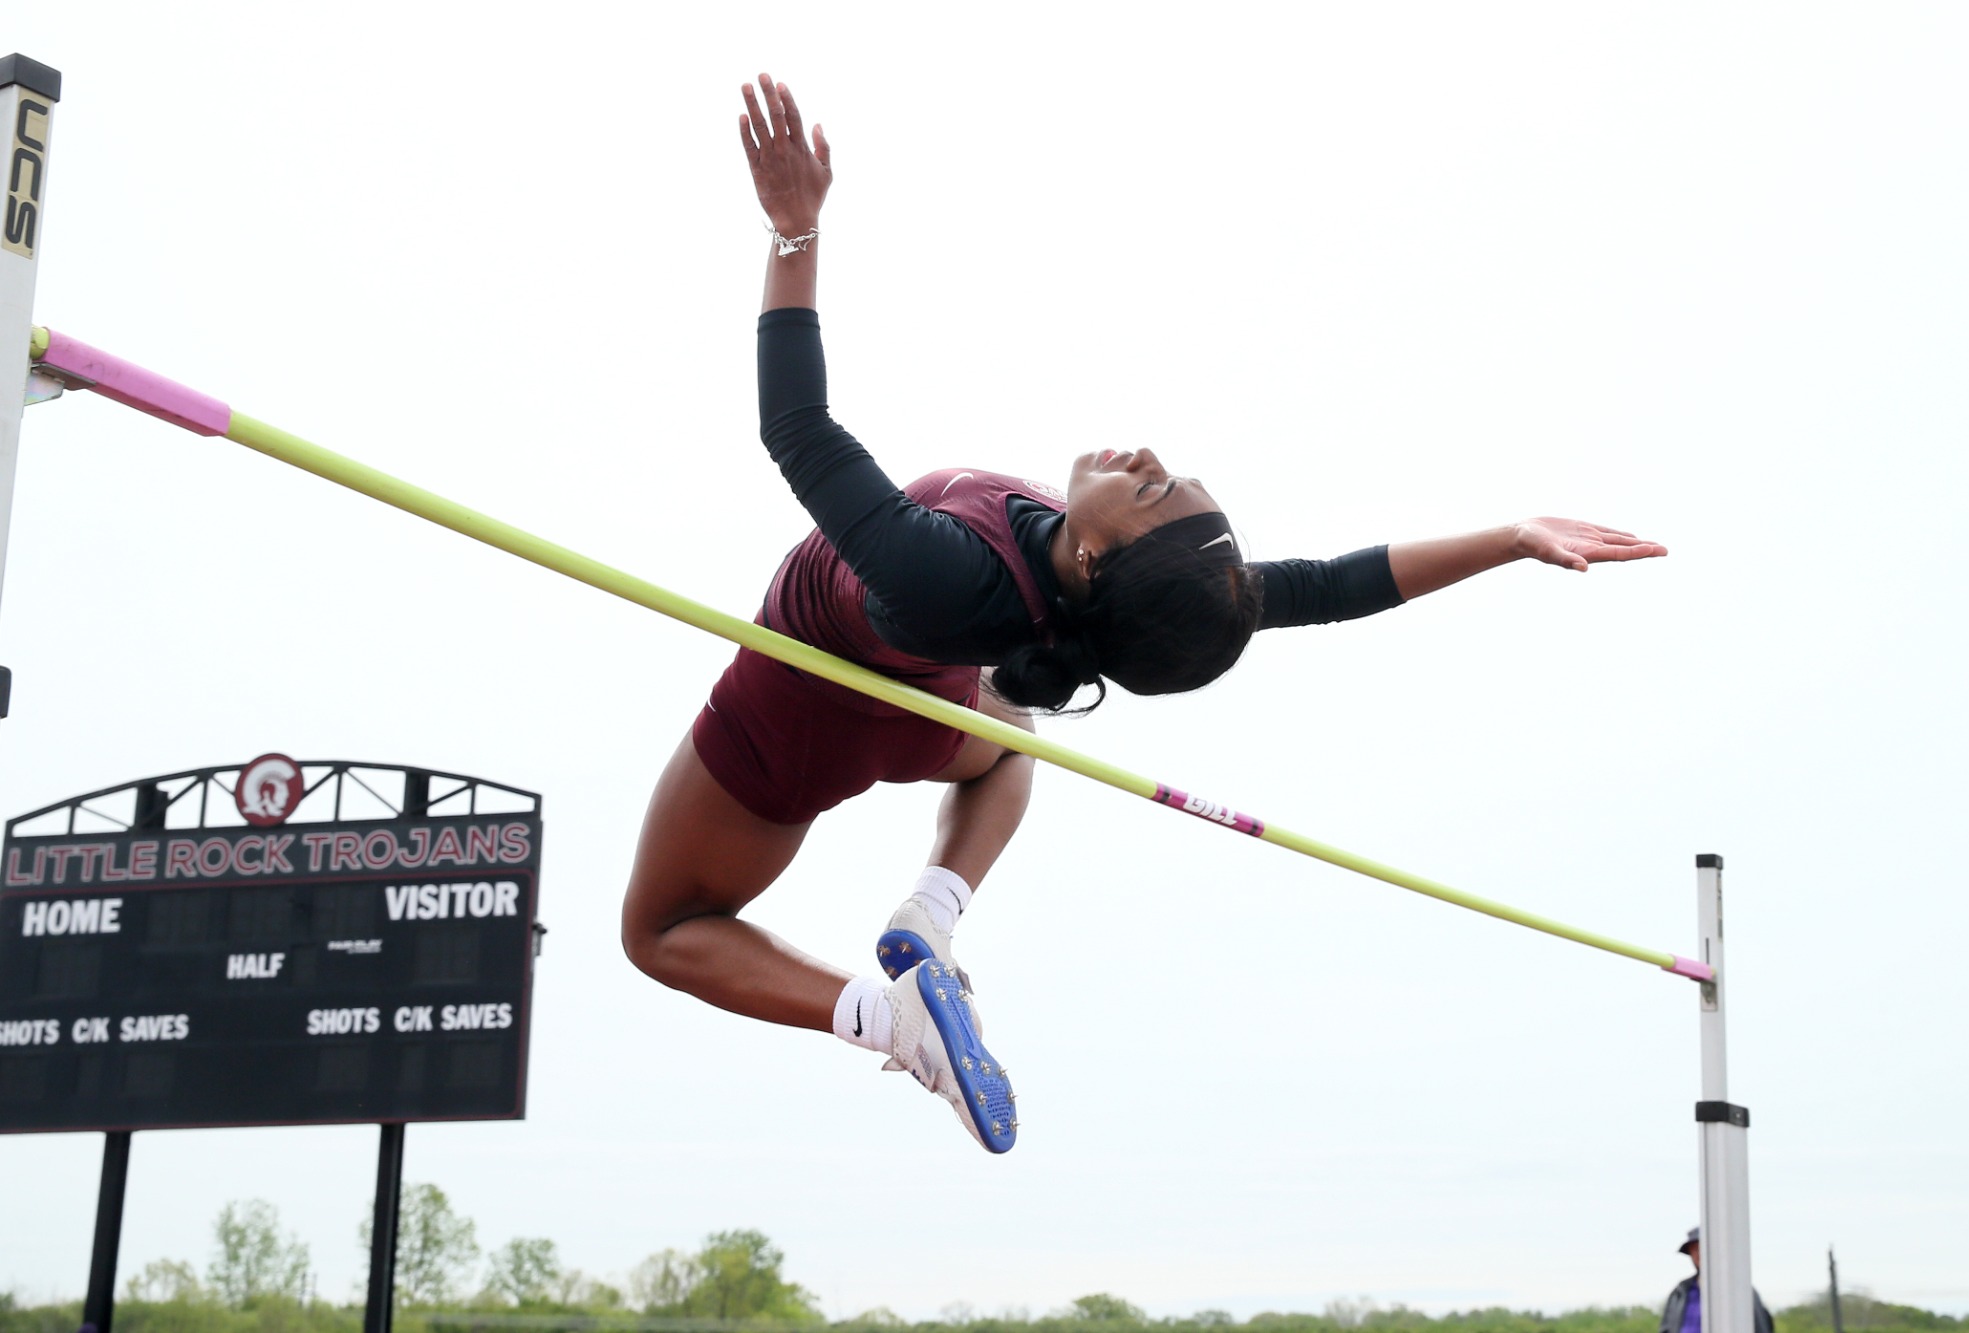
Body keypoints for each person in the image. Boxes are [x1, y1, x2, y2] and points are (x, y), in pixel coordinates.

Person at [619, 74, 1669, 1154]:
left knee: (662, 933)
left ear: (1095, 552)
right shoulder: (1077, 604)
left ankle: (886, 1019)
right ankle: (926, 922)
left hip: (798, 711)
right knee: (1006, 738)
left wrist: (793, 236)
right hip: (936, 715)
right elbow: (1327, 587)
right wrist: (1504, 538)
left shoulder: (944, 574)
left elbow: (795, 428)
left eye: (1156, 492)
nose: (1151, 462)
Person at [1660, 1228, 1776, 1333]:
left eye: (1703, 1248)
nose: (1699, 1254)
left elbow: (1761, 1326)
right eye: (1694, 1250)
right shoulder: (1681, 1291)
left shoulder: (1739, 1289)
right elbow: (1666, 1327)